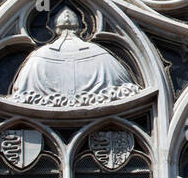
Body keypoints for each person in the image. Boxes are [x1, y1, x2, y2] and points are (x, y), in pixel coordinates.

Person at [10, 7, 138, 105]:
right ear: (80, 27)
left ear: (54, 28)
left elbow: (21, 93)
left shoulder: (38, 58)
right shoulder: (102, 55)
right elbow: (127, 90)